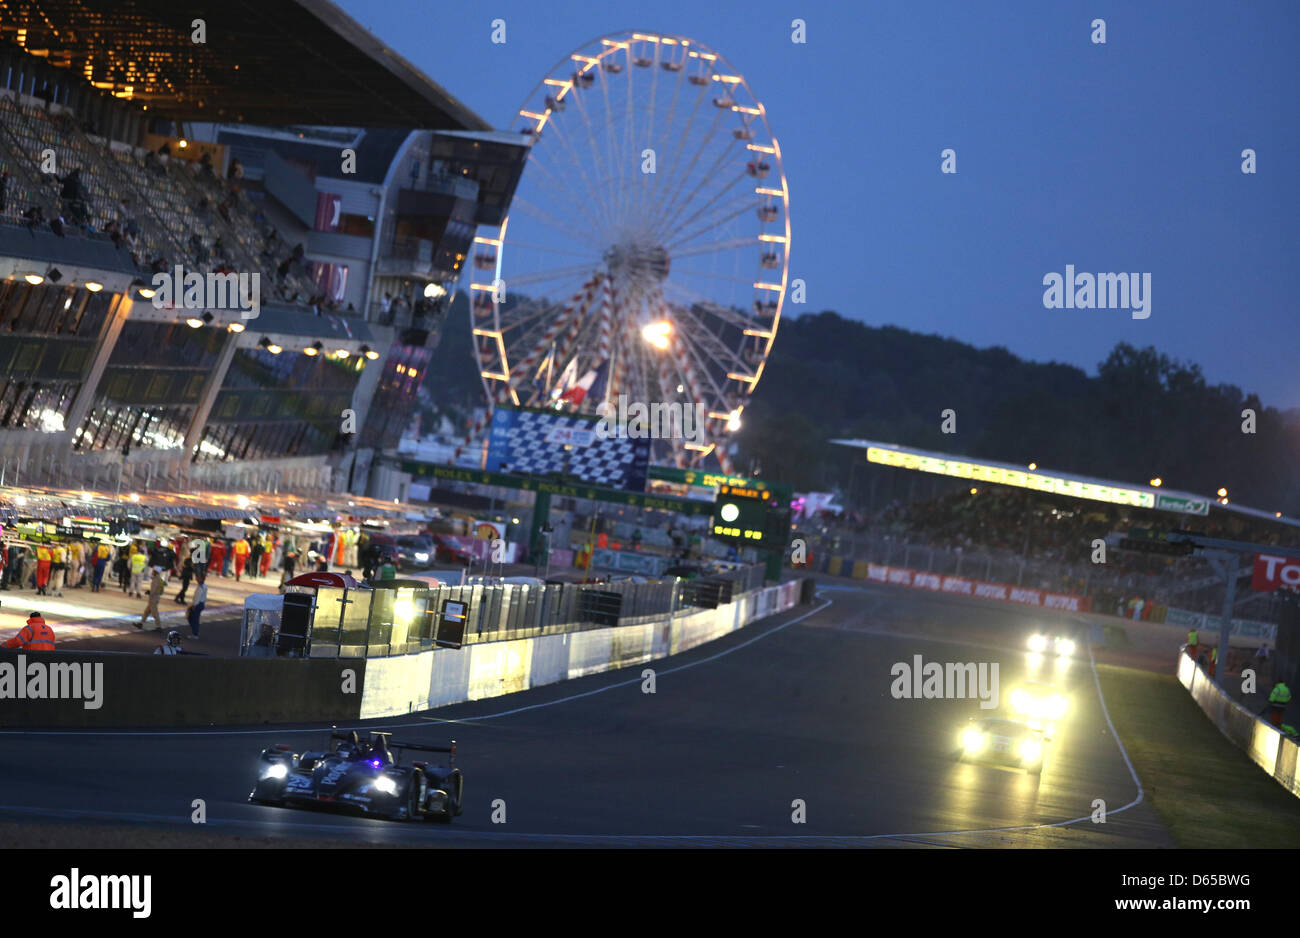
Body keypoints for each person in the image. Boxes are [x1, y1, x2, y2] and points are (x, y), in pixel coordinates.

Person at [137, 567, 166, 631]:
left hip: (153, 598)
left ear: (156, 572)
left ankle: (159, 626)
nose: (152, 571)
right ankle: (141, 623)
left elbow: (153, 590)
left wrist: (149, 592)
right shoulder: (159, 579)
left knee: (154, 613)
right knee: (146, 612)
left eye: (153, 571)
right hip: (156, 597)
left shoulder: (156, 580)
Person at [187, 571, 207, 639]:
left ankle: (195, 633)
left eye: (198, 577)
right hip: (201, 604)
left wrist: (194, 605)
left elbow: (197, 597)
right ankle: (195, 632)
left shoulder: (200, 587)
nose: (196, 578)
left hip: (197, 604)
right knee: (195, 618)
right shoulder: (204, 586)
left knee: (193, 618)